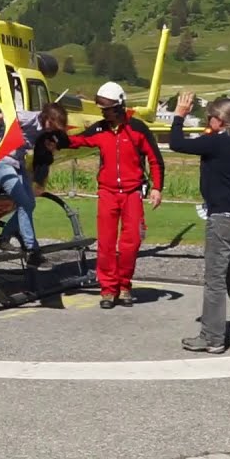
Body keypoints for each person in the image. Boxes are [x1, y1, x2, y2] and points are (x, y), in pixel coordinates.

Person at [168, 92, 230, 354]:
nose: (207, 121)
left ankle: (212, 337)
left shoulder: (217, 143)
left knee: (215, 280)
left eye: (210, 117)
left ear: (218, 120)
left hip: (222, 218)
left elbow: (176, 143)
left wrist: (179, 115)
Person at [56, 82, 164, 308]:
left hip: (132, 193)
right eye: (102, 109)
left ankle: (124, 286)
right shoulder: (99, 129)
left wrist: (156, 188)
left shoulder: (137, 129)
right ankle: (107, 290)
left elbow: (155, 159)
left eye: (107, 108)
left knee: (131, 242)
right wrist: (54, 136)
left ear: (120, 106)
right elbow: (77, 141)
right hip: (107, 193)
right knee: (105, 244)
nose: (104, 112)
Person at [0, 102, 70, 267]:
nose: (51, 129)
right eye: (51, 124)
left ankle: (3, 239)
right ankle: (32, 250)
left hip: (17, 163)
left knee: (29, 204)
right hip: (0, 161)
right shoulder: (27, 118)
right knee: (24, 203)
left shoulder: (46, 130)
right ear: (46, 117)